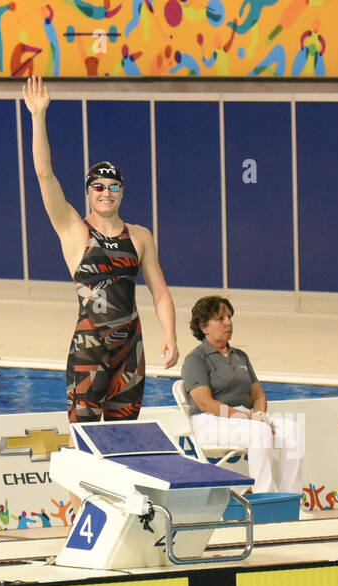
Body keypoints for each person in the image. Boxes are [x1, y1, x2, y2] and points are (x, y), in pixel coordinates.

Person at [21, 75, 177, 423]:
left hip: (130, 350)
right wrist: (38, 117)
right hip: (90, 348)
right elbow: (45, 174)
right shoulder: (74, 229)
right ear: (88, 192)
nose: (106, 192)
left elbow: (161, 293)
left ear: (122, 192)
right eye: (98, 186)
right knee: (86, 438)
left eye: (113, 186)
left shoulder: (140, 236)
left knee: (124, 439)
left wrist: (169, 334)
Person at [181, 296, 302, 494]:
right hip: (210, 422)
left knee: (294, 431)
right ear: (204, 327)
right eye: (220, 318)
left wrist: (260, 415)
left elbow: (258, 395)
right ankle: (265, 498)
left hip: (244, 419)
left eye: (229, 317)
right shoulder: (196, 359)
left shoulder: (240, 356)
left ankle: (292, 498)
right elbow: (205, 404)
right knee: (259, 432)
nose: (228, 322)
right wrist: (251, 418)